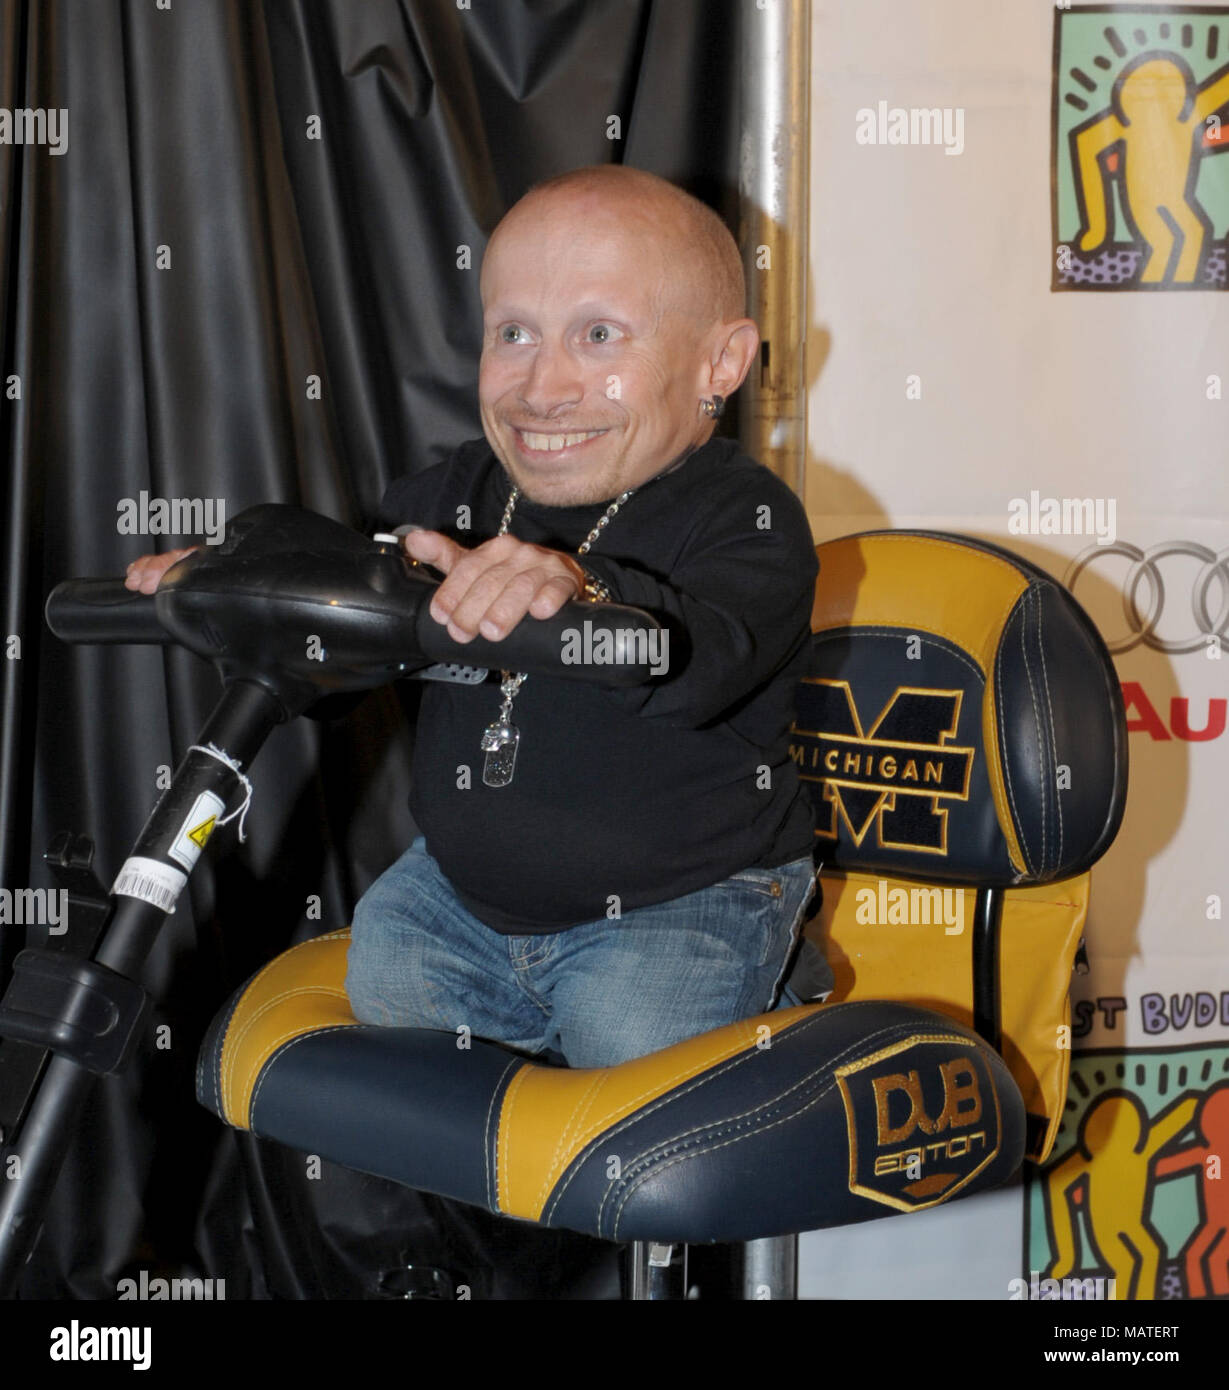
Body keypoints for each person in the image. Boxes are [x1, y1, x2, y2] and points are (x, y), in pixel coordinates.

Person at [125, 165, 827, 1070]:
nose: (544, 386)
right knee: (386, 976)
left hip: (686, 895)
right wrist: (248, 593)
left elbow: (702, 666)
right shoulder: (450, 498)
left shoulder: (750, 520)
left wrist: (582, 592)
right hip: (463, 897)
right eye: (513, 333)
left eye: (600, 334)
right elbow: (348, 655)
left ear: (719, 364)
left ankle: (779, 969)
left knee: (629, 1050)